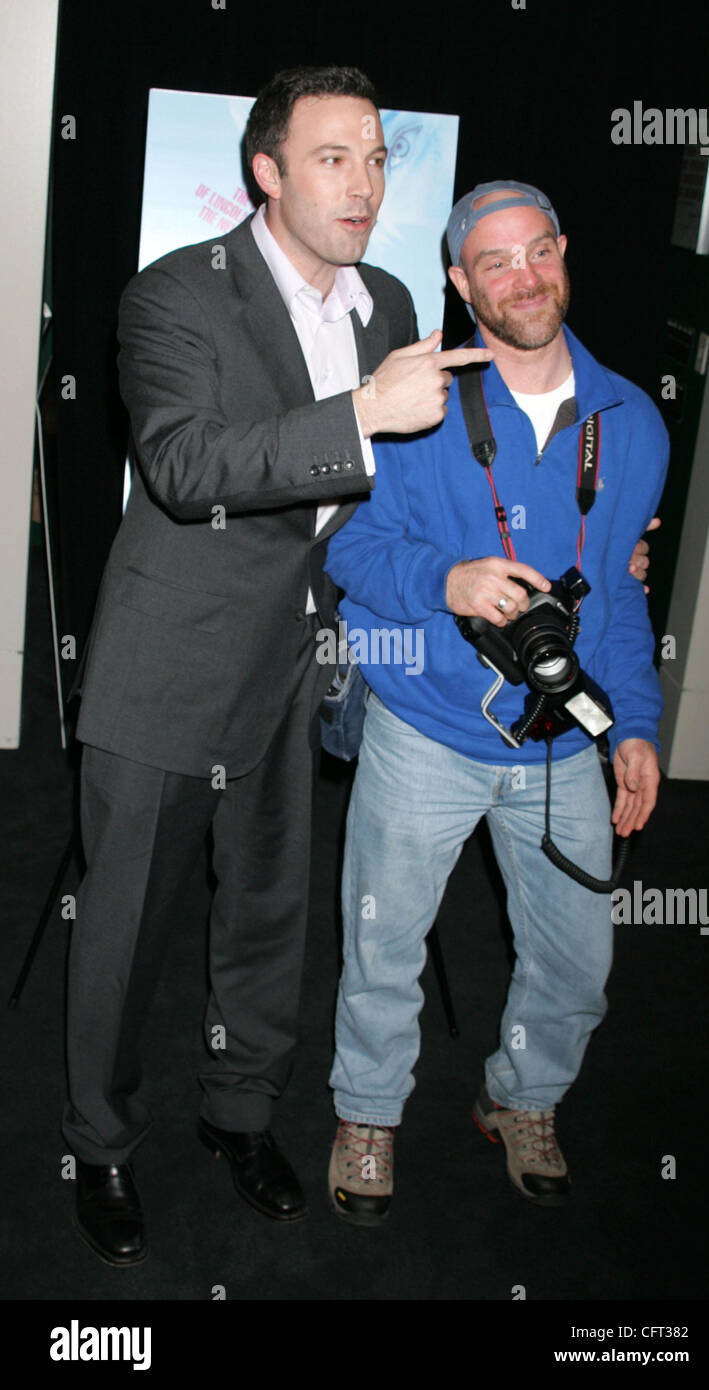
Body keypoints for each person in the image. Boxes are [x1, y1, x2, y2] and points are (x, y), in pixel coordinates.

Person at [64, 65, 495, 1266]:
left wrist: (566, 544)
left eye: (374, 158)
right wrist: (362, 411)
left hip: (289, 665)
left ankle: (238, 1113)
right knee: (125, 929)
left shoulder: (393, 298)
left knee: (266, 916)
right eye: (331, 158)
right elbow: (187, 466)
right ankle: (98, 1142)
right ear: (267, 172)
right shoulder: (175, 294)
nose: (361, 183)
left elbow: (399, 490)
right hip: (168, 661)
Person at [324, 180, 669, 1224]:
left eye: (536, 251)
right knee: (382, 942)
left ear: (561, 251)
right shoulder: (416, 400)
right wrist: (448, 581)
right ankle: (368, 1114)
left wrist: (639, 726)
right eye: (493, 261)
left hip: (566, 742)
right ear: (460, 282)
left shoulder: (633, 422)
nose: (521, 276)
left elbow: (613, 596)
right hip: (425, 730)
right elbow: (348, 548)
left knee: (577, 956)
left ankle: (520, 1099)